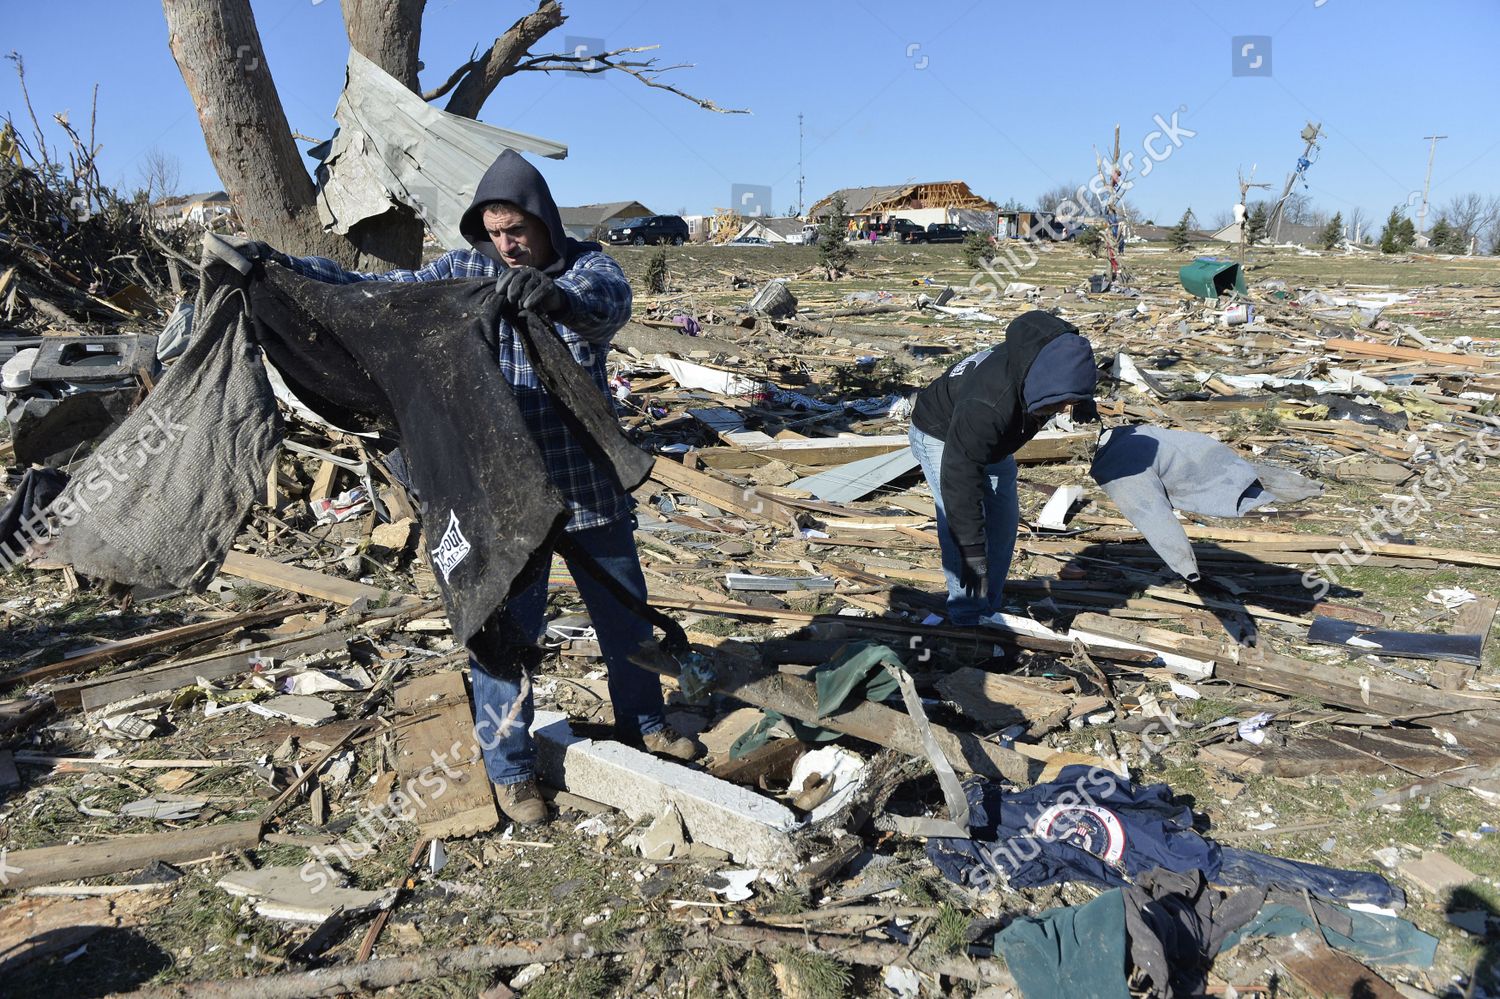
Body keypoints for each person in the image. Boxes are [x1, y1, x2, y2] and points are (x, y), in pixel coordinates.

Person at [219, 150, 696, 825]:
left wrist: (554, 298)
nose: (507, 245)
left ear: (545, 221)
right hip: (503, 498)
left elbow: (604, 305)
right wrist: (277, 266)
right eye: (496, 232)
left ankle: (646, 723)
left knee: (625, 619)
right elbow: (374, 292)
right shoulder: (465, 272)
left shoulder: (589, 268)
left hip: (588, 484)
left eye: (518, 231)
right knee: (502, 634)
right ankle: (513, 771)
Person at [907, 311, 1097, 625]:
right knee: (963, 532)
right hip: (942, 434)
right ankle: (968, 618)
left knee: (1003, 526)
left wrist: (1083, 400)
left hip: (994, 443)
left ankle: (989, 610)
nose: (1063, 410)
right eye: (1058, 403)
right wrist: (971, 551)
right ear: (1038, 386)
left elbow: (1072, 376)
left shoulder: (1053, 359)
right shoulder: (988, 405)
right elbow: (960, 484)